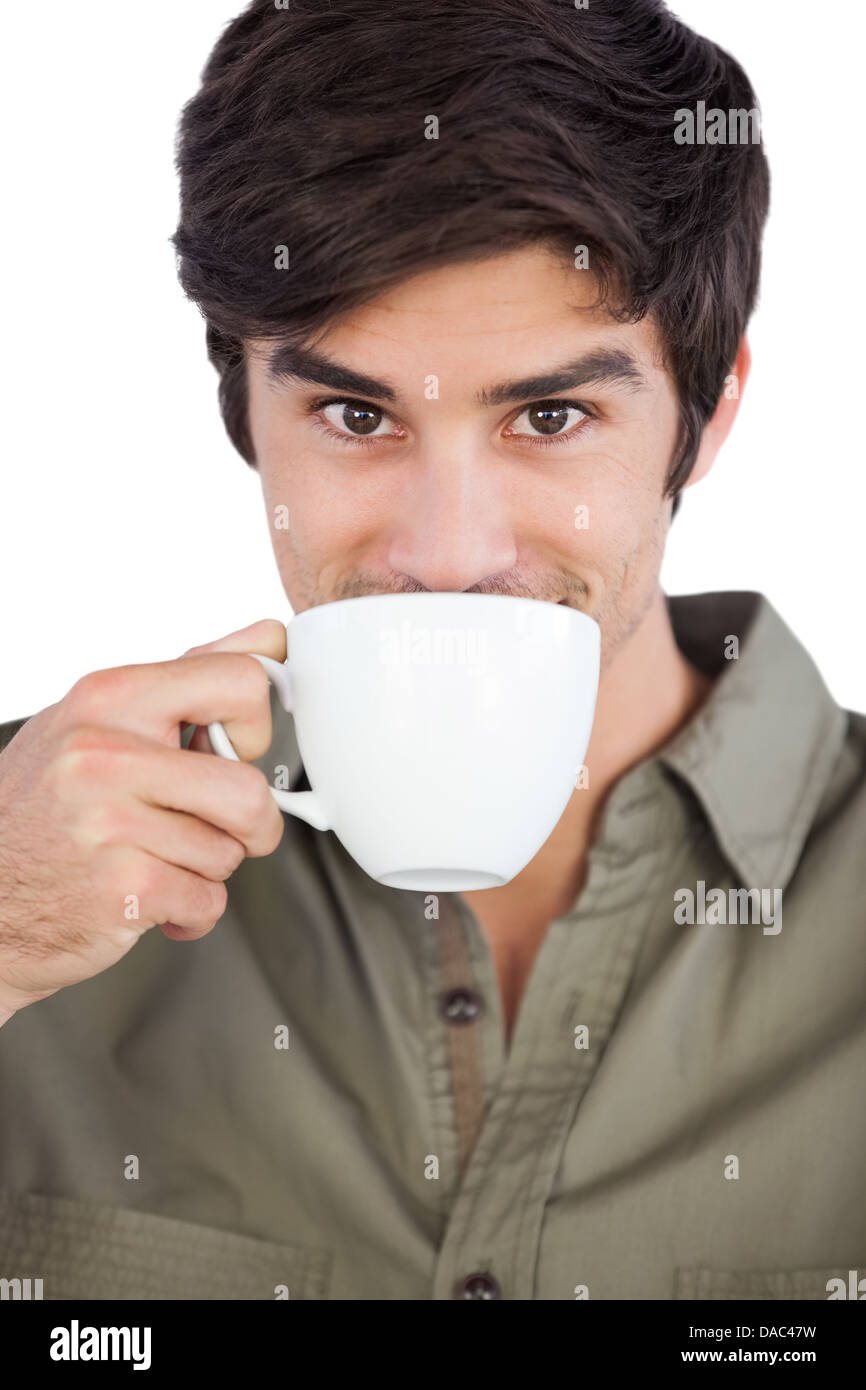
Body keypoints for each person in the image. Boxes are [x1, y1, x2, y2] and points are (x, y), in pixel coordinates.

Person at [0, 0, 863, 1302]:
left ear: (707, 413)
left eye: (552, 414)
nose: (446, 551)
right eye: (355, 412)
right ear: (240, 399)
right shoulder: (27, 847)